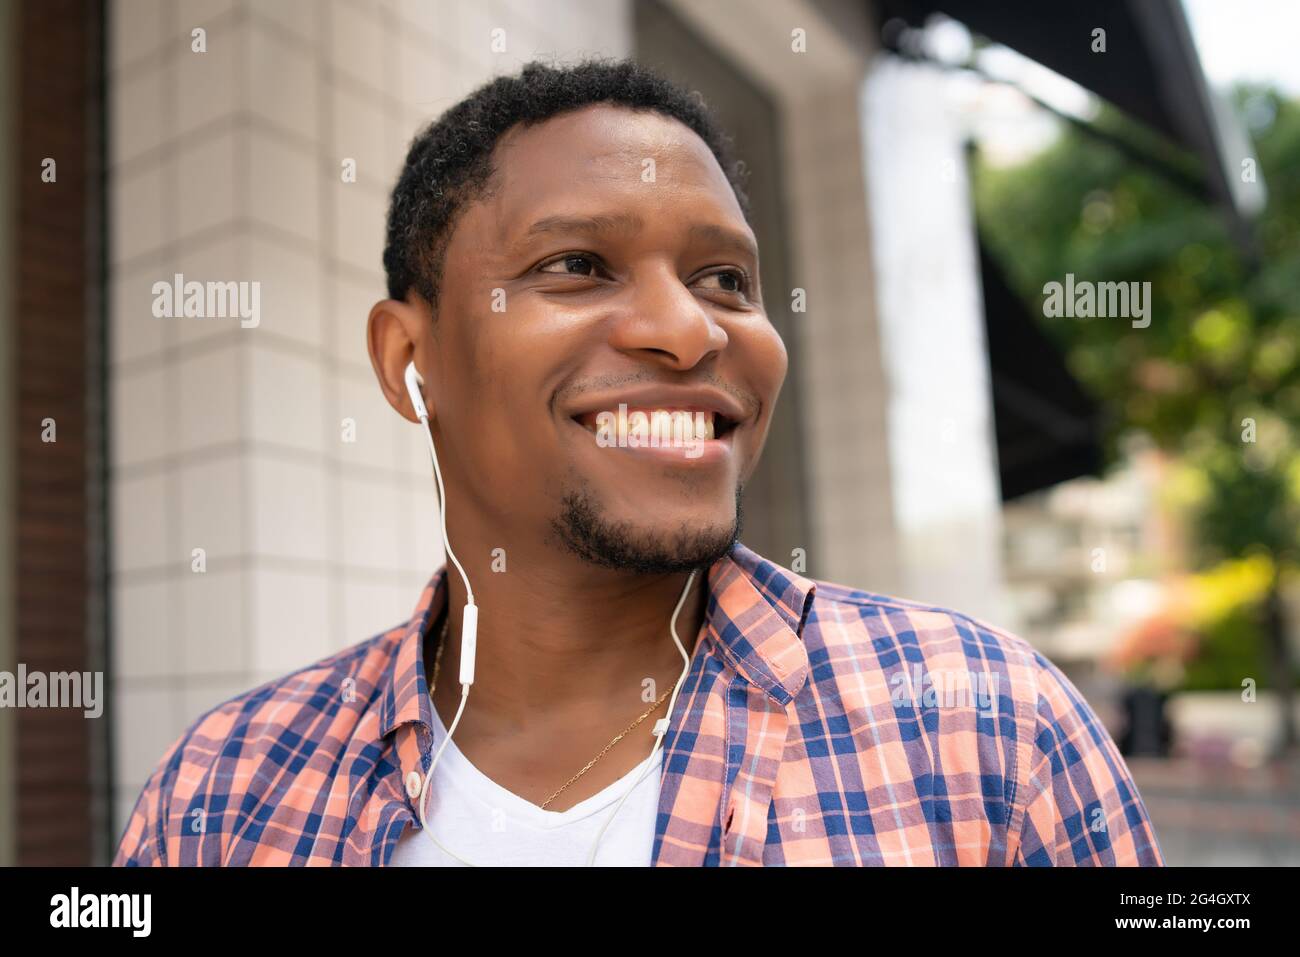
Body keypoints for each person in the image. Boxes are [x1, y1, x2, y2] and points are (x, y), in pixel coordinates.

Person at [114, 58, 1163, 867]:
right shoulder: (223, 795)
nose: (687, 330)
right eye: (576, 265)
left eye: (722, 278)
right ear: (410, 360)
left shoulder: (987, 732)